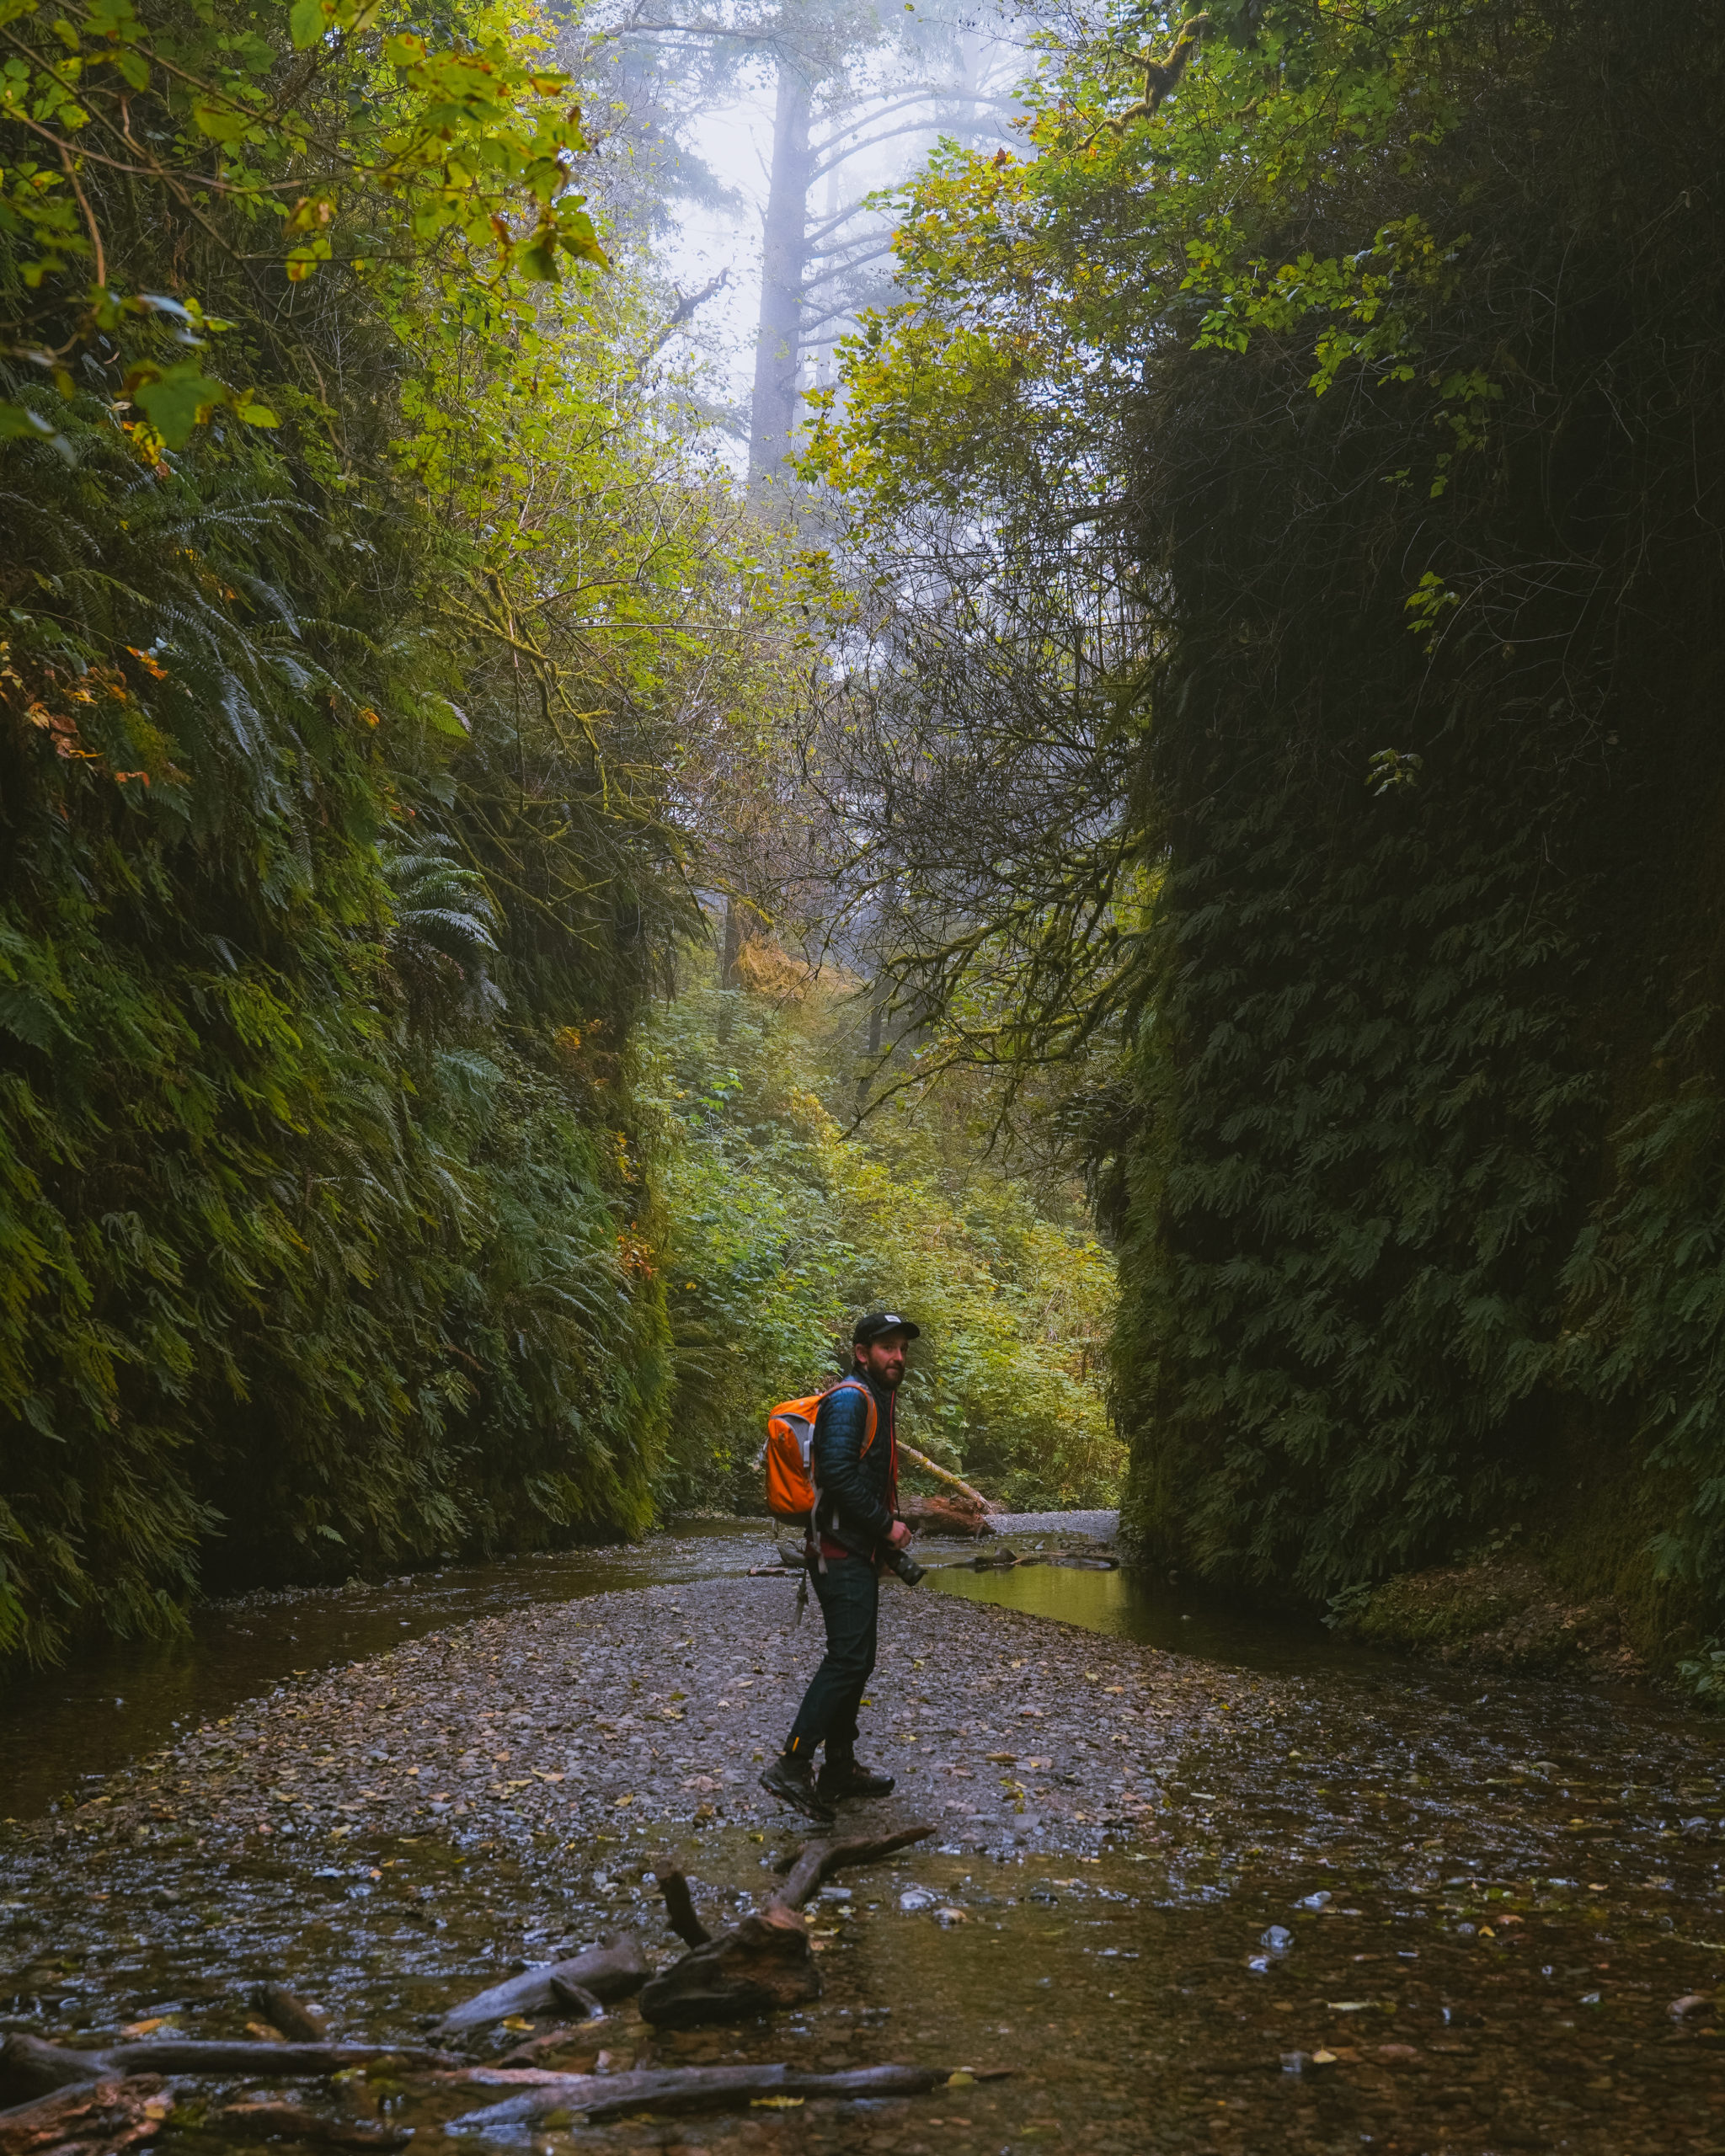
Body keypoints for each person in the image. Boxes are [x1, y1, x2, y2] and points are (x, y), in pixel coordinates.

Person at [758, 1310, 920, 1821]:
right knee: (848, 1659)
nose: (896, 1356)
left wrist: (880, 1540)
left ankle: (839, 1767)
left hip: (852, 1548)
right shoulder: (852, 1399)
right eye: (886, 1347)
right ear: (862, 1352)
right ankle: (792, 1763)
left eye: (901, 1348)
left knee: (857, 1658)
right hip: (838, 1551)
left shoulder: (875, 1397)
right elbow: (839, 1478)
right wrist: (888, 1528)